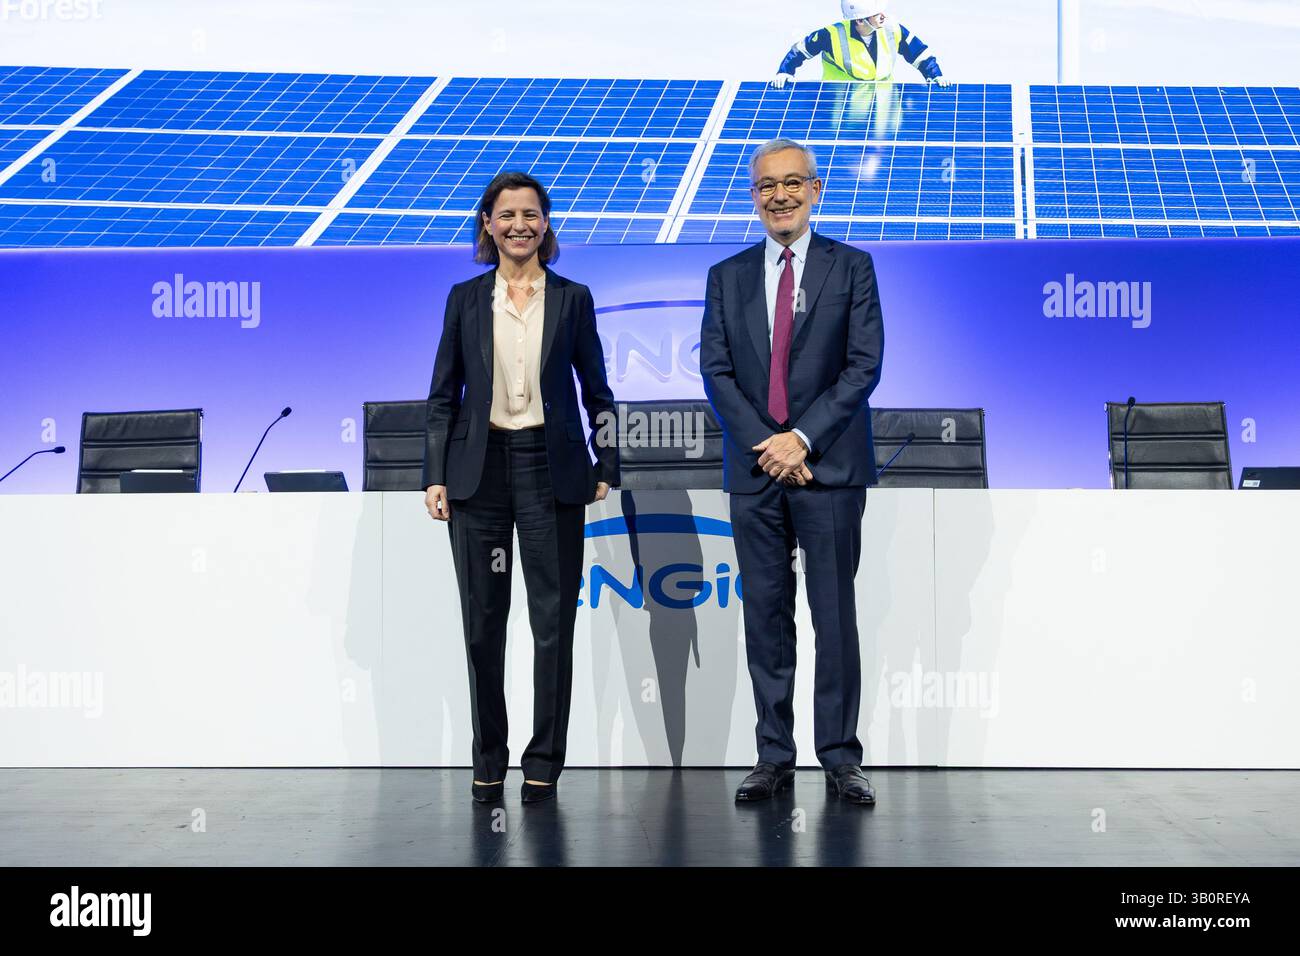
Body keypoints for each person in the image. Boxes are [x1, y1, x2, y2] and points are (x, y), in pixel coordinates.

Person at [423, 170, 619, 805]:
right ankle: (488, 758)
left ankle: (543, 763)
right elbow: (441, 397)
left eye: (530, 214)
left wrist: (606, 462)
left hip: (549, 468)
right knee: (483, 623)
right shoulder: (463, 298)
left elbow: (598, 392)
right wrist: (434, 474)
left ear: (546, 222)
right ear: (487, 224)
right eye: (505, 215)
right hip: (478, 475)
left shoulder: (573, 297)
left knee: (551, 623)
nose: (519, 225)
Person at [699, 138, 884, 805]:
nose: (779, 196)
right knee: (766, 617)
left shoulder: (853, 267)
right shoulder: (727, 275)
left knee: (833, 618)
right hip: (755, 474)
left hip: (829, 470)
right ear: (754, 197)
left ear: (816, 189)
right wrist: (768, 446)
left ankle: (840, 758)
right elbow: (716, 372)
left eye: (792, 183)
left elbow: (864, 365)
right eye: (766, 186)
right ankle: (773, 756)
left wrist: (801, 440)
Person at [771, 0, 948, 88]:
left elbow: (919, 54)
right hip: (839, 108)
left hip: (882, 105)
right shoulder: (831, 35)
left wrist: (934, 75)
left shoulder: (892, 29)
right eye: (876, 13)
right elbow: (801, 50)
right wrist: (784, 72)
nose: (883, 16)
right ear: (860, 21)